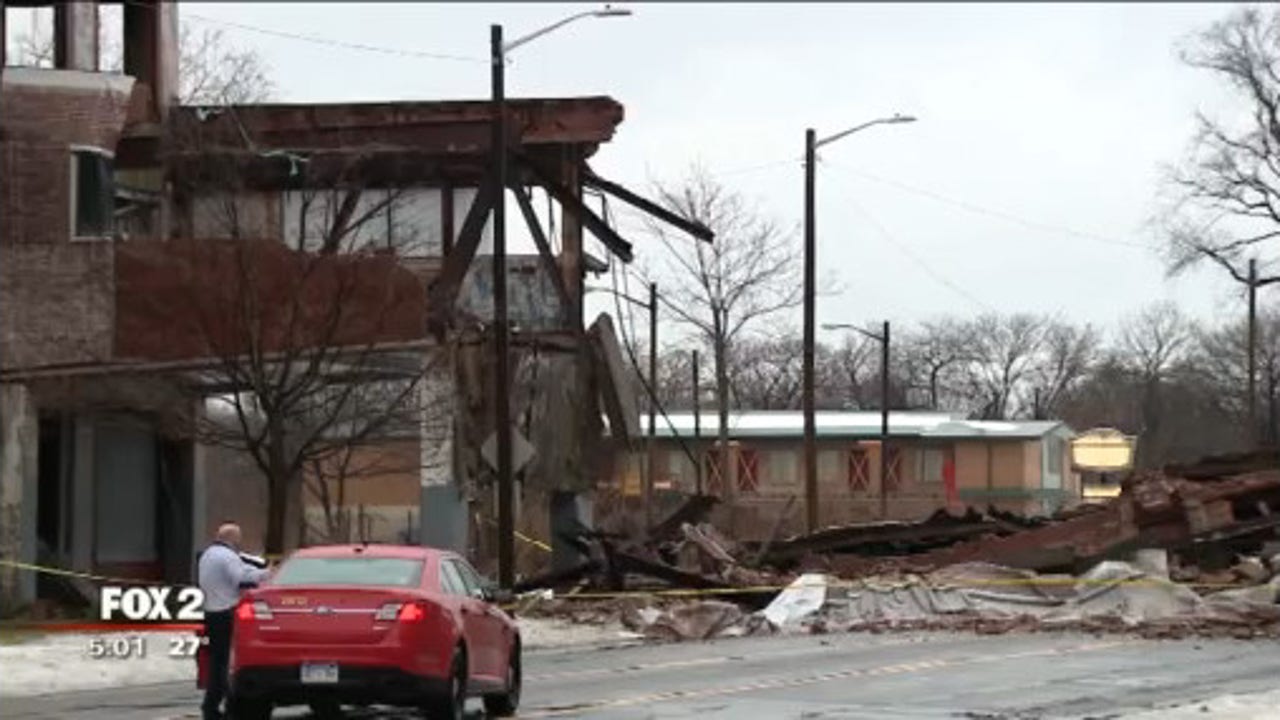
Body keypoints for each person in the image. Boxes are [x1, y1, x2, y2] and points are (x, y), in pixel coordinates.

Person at [197, 523, 271, 720]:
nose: (240, 542)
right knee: (229, 663)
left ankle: (212, 706)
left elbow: (240, 569)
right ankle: (227, 705)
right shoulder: (227, 556)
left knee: (217, 661)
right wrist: (267, 575)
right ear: (232, 538)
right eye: (238, 538)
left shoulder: (209, 555)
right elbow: (241, 579)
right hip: (226, 612)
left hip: (211, 611)